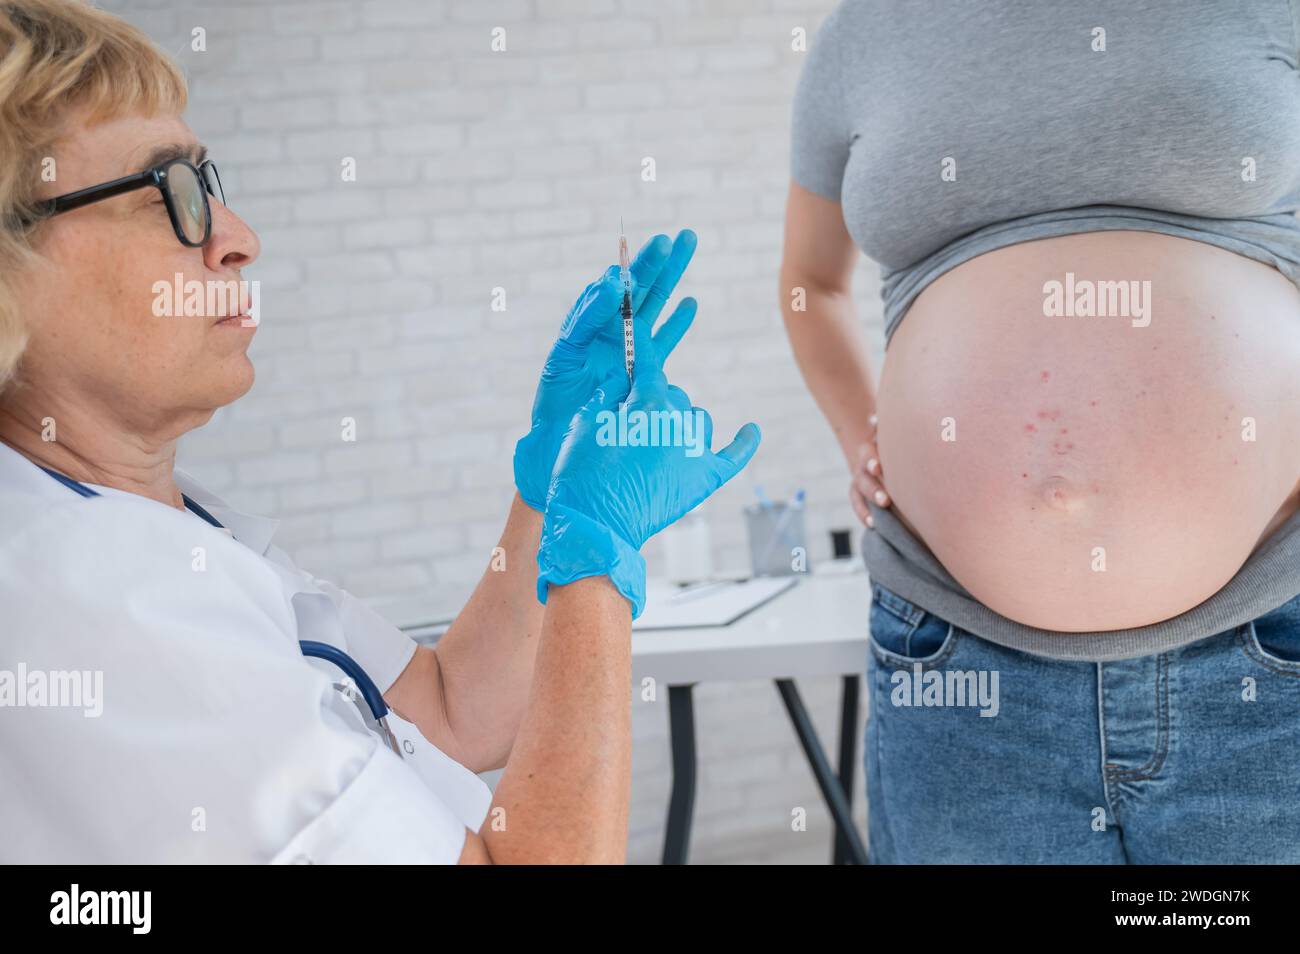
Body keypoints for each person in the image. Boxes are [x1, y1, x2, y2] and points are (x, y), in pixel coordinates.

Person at [0, 0, 759, 864]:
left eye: (210, 187)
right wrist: (597, 558)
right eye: (169, 192)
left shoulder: (160, 523)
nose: (240, 239)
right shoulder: (100, 605)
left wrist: (550, 494)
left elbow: (454, 710)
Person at [781, 0, 1300, 862]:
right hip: (958, 667)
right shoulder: (862, 35)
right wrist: (863, 431)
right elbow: (809, 282)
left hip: (1267, 636)